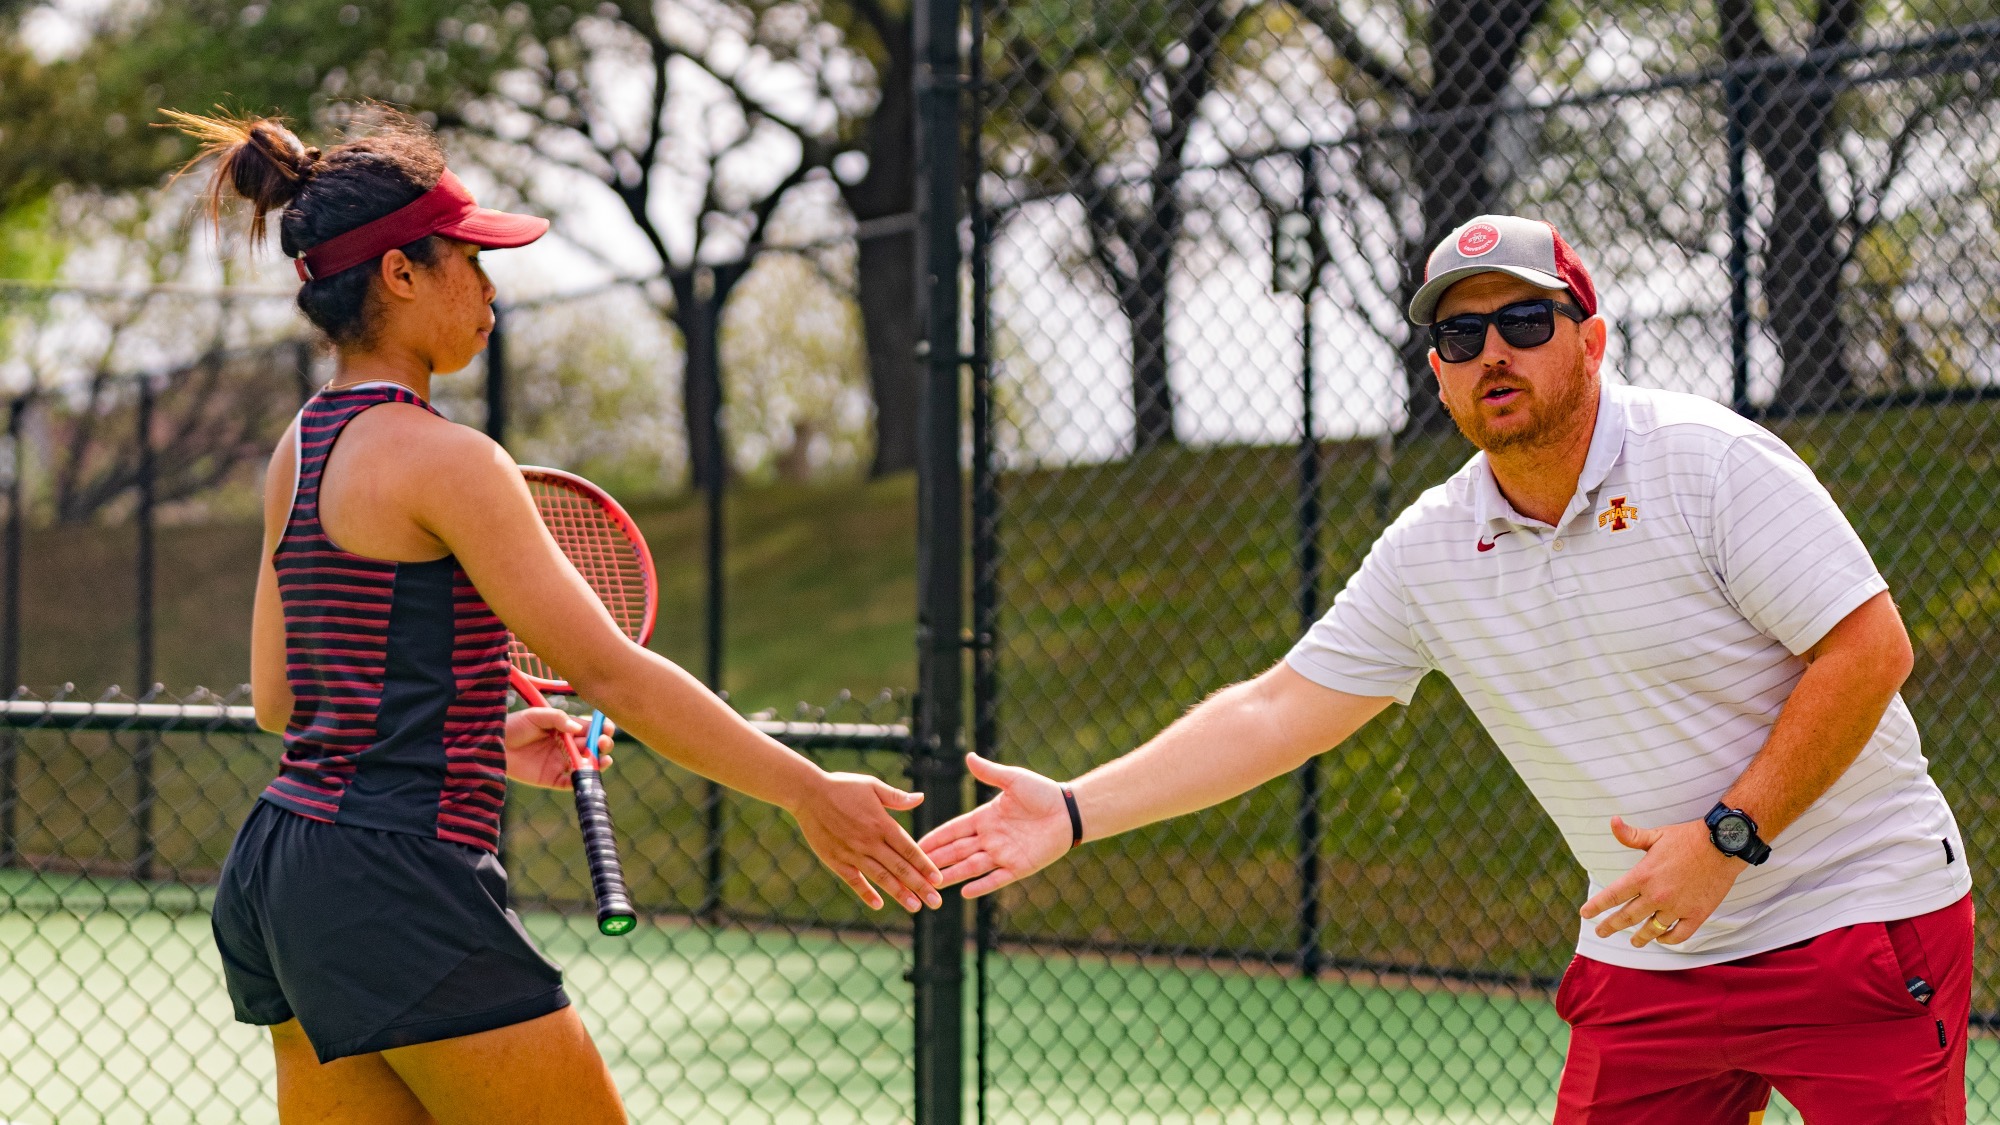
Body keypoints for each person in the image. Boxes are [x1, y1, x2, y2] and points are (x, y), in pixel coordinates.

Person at [920, 214, 1974, 1122]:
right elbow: (1275, 708)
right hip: (1653, 953)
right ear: (1435, 367)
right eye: (1458, 334)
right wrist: (1068, 809)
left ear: (1590, 340)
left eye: (1524, 322)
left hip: (1849, 917)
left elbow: (1867, 648)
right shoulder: (1431, 546)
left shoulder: (1709, 462)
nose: (1491, 355)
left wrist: (1724, 840)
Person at [170, 108, 944, 1125]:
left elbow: (284, 705)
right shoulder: (449, 461)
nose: (490, 289)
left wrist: (475, 734)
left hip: (286, 872)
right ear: (401, 274)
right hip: (395, 880)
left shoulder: (298, 450)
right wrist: (805, 791)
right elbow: (614, 673)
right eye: (469, 262)